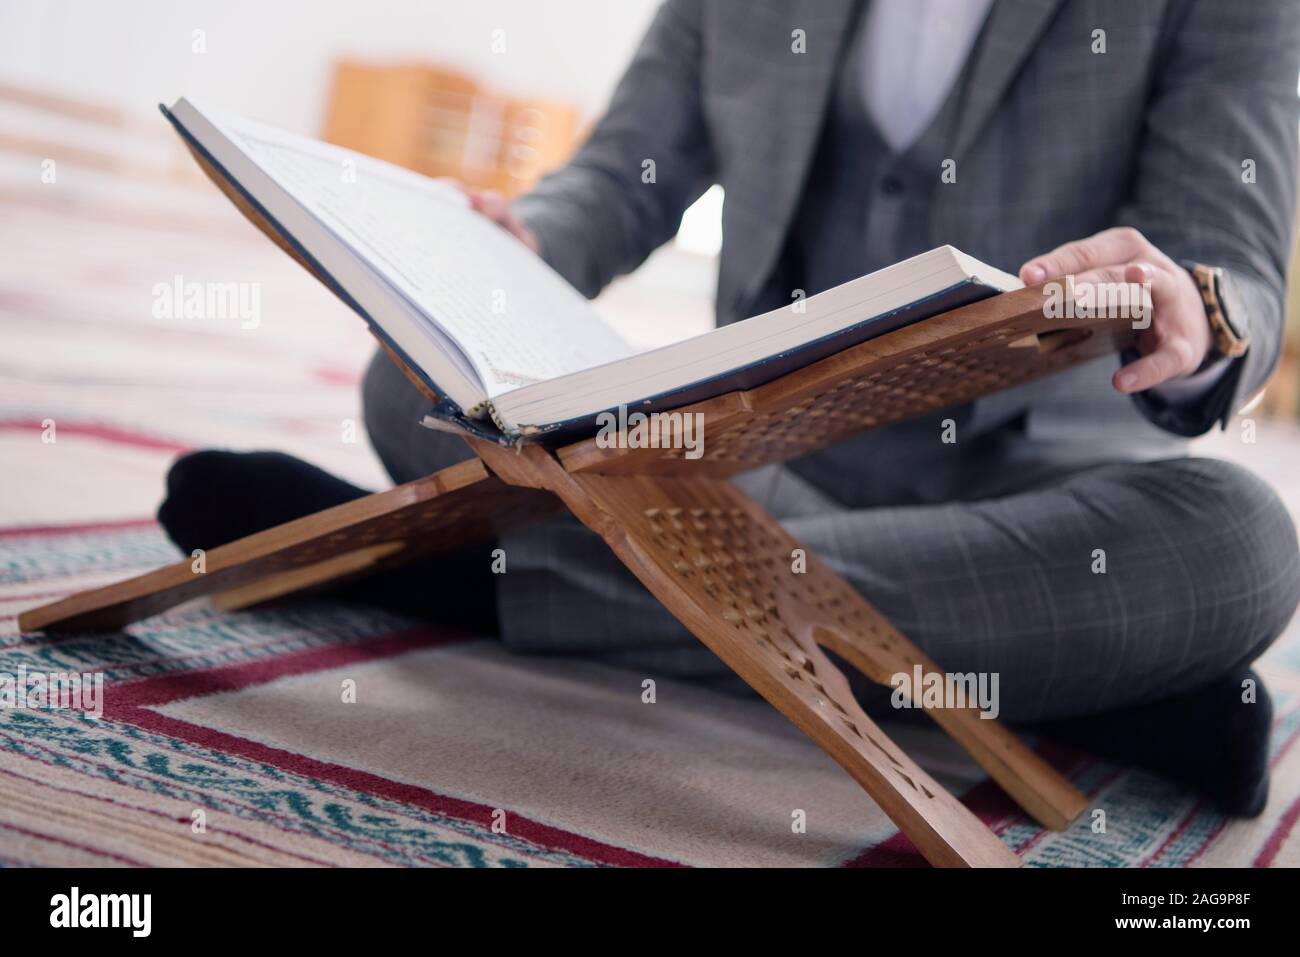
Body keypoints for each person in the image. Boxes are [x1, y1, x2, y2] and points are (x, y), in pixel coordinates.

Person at [159, 0, 1300, 816]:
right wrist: (505, 255)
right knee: (418, 388)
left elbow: (1232, 257)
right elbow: (624, 176)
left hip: (1031, 489)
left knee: (1241, 546)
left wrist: (1187, 306)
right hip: (755, 447)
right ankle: (1070, 685)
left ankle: (472, 581)